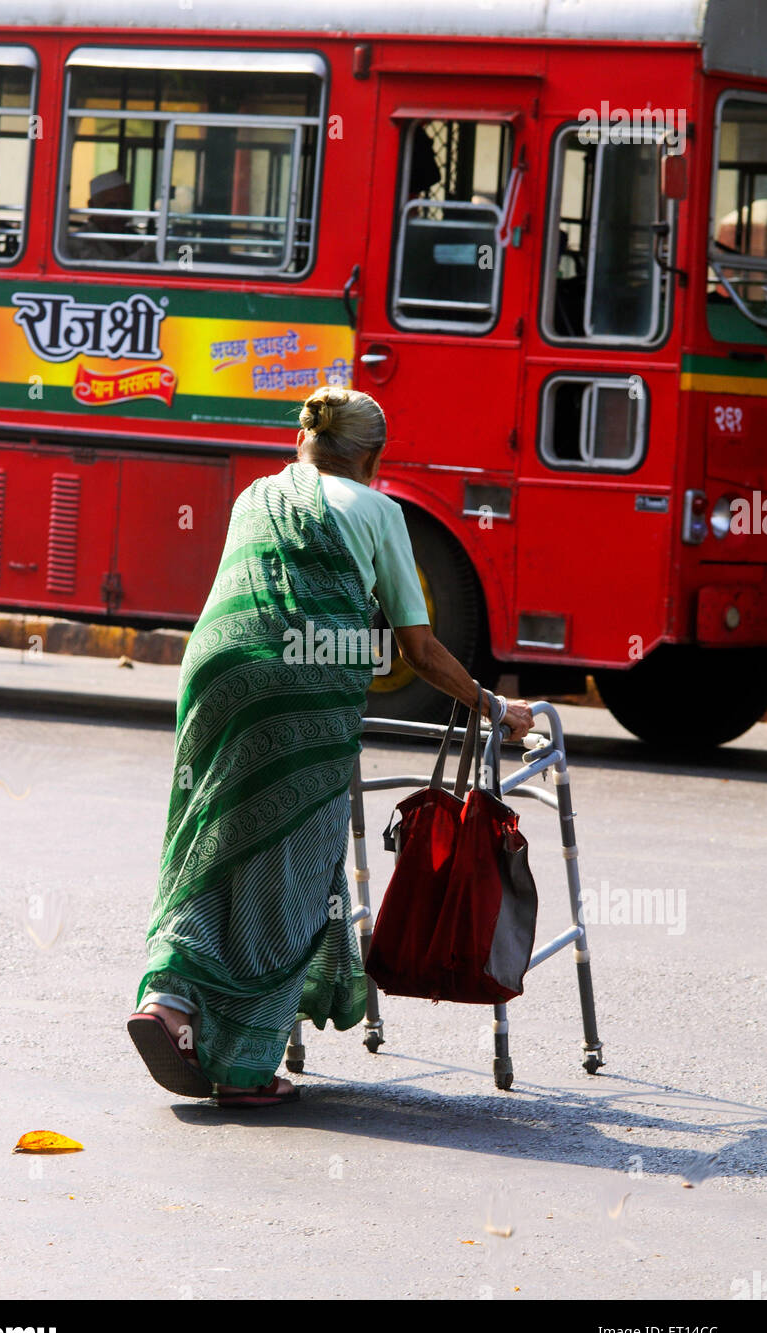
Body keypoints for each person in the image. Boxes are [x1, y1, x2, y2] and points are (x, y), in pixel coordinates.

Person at [127, 387, 535, 1107]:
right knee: (288, 861)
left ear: (302, 441)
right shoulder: (378, 510)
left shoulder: (257, 494)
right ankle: (244, 1065)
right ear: (370, 456)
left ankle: (170, 1000)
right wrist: (494, 706)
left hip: (215, 673)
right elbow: (418, 647)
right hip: (300, 690)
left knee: (208, 837)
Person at [66, 170, 153, 261]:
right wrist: (151, 249)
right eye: (111, 206)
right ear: (92, 205)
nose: (119, 213)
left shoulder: (133, 239)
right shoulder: (79, 241)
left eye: (125, 206)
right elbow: (113, 270)